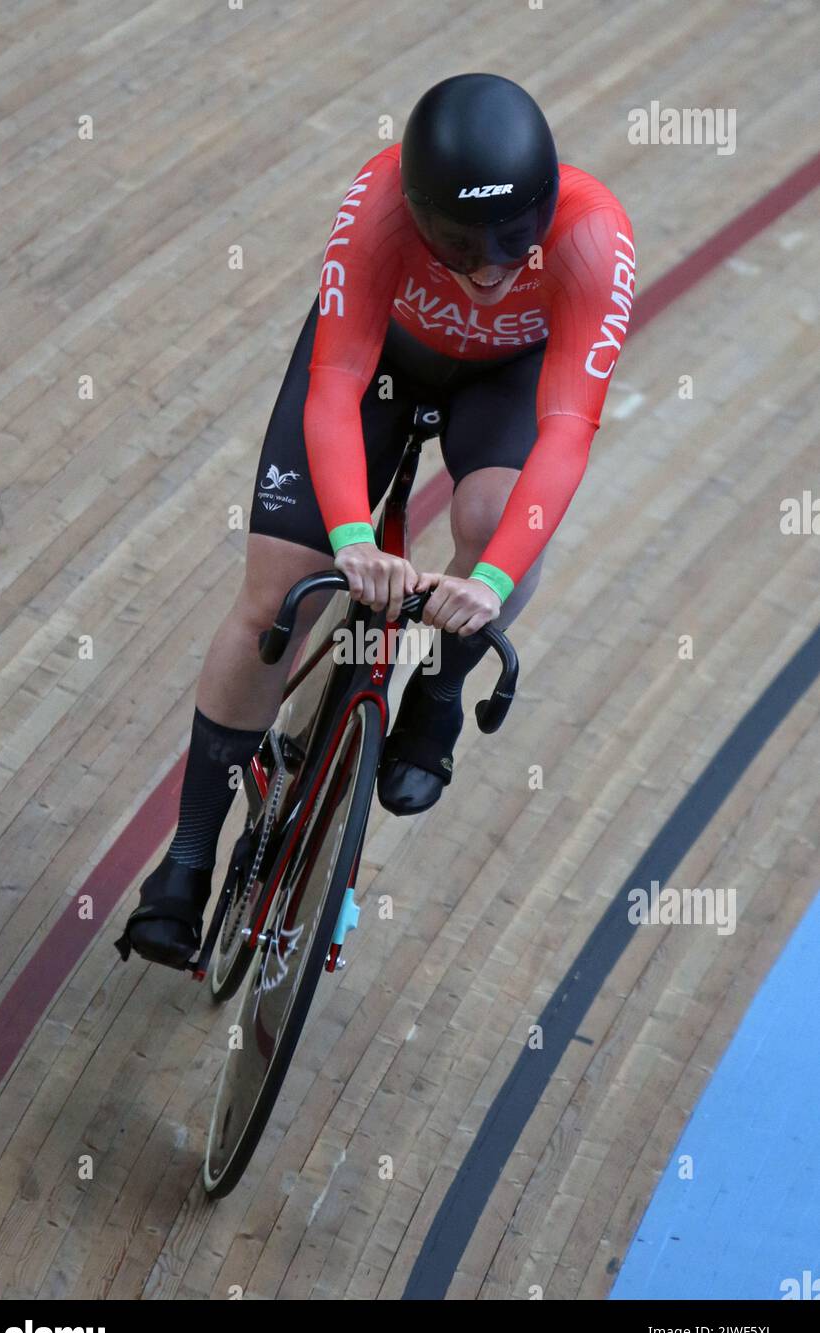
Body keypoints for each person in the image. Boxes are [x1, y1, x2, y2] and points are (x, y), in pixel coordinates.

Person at [117, 72, 636, 968]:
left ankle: (437, 696)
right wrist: (353, 543)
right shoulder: (380, 203)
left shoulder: (594, 235)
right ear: (420, 212)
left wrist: (489, 582)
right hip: (377, 367)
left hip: (505, 386)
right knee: (279, 592)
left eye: (513, 249)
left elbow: (565, 437)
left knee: (495, 513)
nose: (488, 273)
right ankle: (190, 856)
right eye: (464, 250)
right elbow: (335, 386)